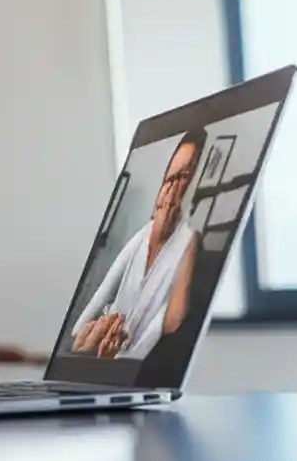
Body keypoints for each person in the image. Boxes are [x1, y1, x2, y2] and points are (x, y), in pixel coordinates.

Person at [70, 128, 206, 360]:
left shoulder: (189, 241)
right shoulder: (142, 236)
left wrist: (114, 360)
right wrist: (84, 336)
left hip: (122, 362)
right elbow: (100, 298)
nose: (171, 190)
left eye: (183, 178)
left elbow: (170, 321)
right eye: (169, 179)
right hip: (98, 352)